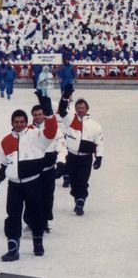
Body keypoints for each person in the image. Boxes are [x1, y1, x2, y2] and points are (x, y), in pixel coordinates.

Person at [0, 91, 58, 261]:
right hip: (14, 185)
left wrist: (49, 113)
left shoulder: (36, 136)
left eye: (22, 122)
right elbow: (4, 163)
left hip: (33, 182)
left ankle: (38, 243)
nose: (19, 124)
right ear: (12, 123)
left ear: (27, 123)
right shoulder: (5, 140)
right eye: (16, 122)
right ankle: (13, 249)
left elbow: (51, 132)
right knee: (12, 216)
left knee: (36, 214)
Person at [58, 86, 103, 216]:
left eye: (82, 107)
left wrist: (99, 157)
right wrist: (65, 97)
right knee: (73, 180)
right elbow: (61, 111)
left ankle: (80, 201)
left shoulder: (95, 126)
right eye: (78, 107)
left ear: (87, 109)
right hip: (71, 156)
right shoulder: (70, 119)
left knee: (82, 180)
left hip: (86, 158)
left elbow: (99, 142)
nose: (80, 109)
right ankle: (78, 198)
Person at [28, 103, 65, 232]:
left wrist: (60, 163)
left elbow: (61, 146)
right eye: (35, 115)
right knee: (32, 197)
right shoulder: (28, 130)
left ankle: (44, 220)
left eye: (40, 114)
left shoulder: (55, 129)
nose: (38, 117)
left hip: (49, 170)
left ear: (44, 115)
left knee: (47, 197)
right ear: (32, 116)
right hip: (33, 171)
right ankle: (32, 221)